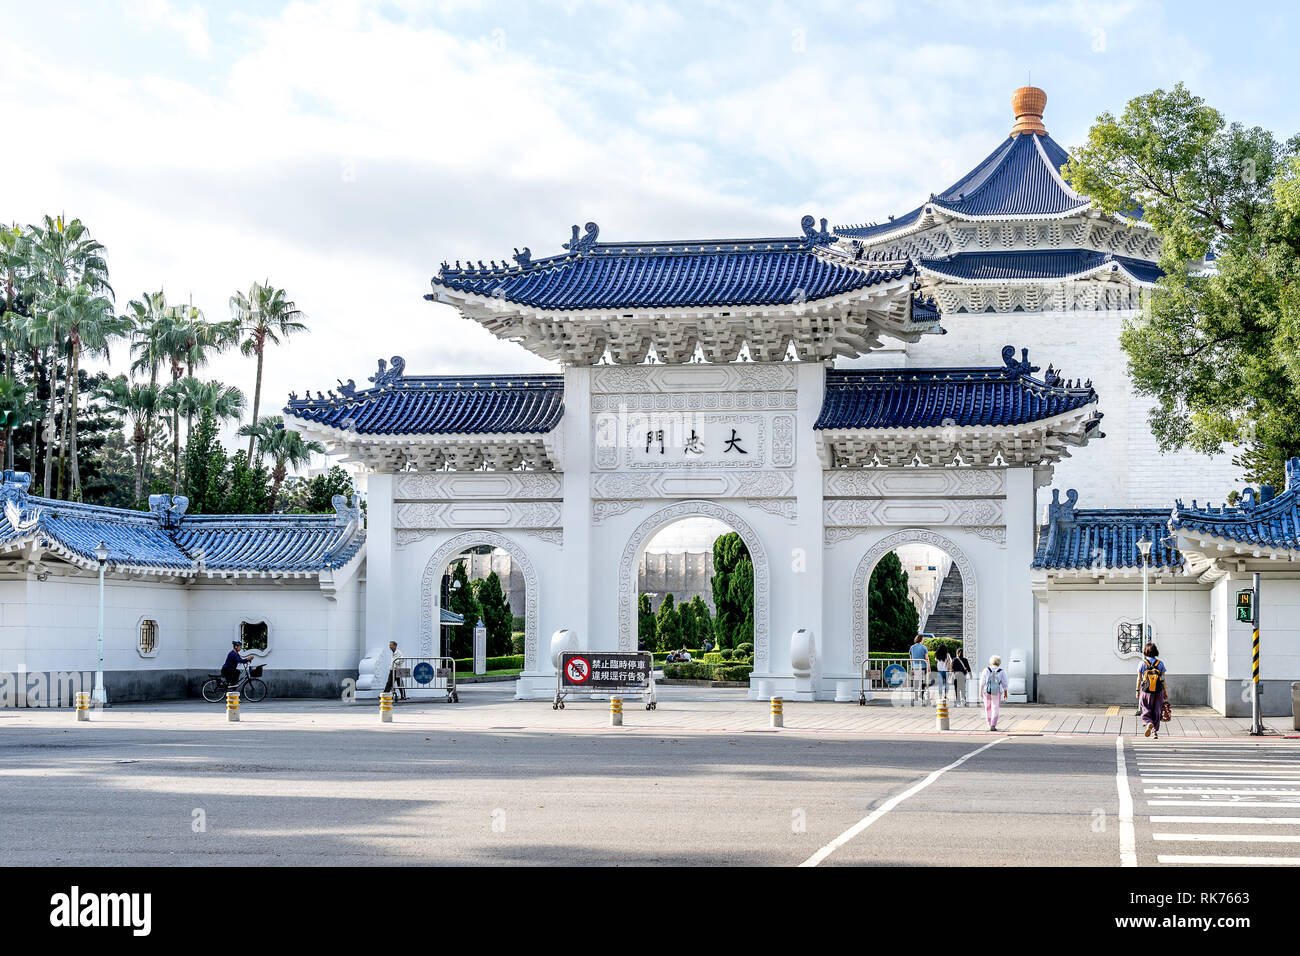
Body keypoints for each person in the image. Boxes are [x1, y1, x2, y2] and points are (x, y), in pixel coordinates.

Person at [1137, 642, 1167, 738]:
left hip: (1146, 691)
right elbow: (1163, 679)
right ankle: (1154, 732)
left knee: (1145, 708)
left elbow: (1139, 678)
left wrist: (1137, 691)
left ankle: (1148, 722)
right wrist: (1165, 692)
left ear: (1145, 651)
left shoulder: (1142, 663)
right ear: (1156, 652)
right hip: (1158, 691)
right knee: (1157, 710)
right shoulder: (1160, 663)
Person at [980, 655, 1008, 731]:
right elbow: (1005, 683)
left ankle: (989, 724)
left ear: (991, 662)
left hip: (987, 691)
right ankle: (993, 724)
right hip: (996, 691)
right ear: (999, 662)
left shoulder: (986, 670)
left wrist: (980, 692)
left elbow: (982, 682)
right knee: (995, 708)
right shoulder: (1001, 671)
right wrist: (1005, 693)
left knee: (987, 708)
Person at [908, 635, 930, 703]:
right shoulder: (924, 647)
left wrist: (911, 667)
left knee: (916, 681)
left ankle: (916, 696)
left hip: (915, 667)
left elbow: (910, 658)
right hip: (923, 666)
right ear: (921, 639)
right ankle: (922, 695)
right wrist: (929, 666)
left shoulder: (912, 647)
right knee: (923, 681)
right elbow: (926, 658)